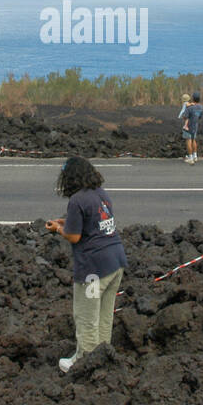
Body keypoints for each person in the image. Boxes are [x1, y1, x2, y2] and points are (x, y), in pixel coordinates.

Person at [45, 156, 128, 374]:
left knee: (86, 315)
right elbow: (95, 224)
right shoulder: (101, 194)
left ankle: (85, 362)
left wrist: (57, 228)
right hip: (116, 262)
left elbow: (73, 236)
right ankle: (103, 354)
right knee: (104, 314)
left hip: (94, 269)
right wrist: (66, 222)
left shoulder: (76, 200)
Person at [183, 92, 203, 164]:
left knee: (188, 141)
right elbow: (200, 117)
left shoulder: (190, 107)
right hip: (195, 125)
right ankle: (195, 156)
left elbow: (184, 116)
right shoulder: (201, 107)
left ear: (193, 98)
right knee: (193, 140)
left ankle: (190, 157)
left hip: (188, 126)